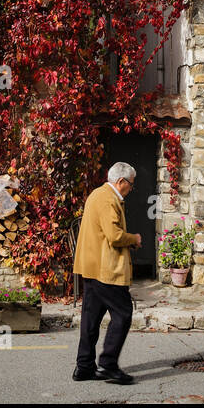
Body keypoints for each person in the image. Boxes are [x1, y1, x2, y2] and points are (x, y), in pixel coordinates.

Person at [72, 162, 142, 384]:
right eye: (131, 184)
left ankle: (84, 366)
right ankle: (108, 365)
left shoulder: (97, 194)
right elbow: (114, 235)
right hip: (106, 268)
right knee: (123, 313)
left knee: (91, 319)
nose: (131, 189)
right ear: (121, 181)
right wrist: (134, 239)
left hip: (92, 267)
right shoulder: (108, 199)